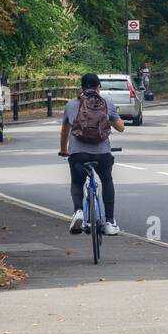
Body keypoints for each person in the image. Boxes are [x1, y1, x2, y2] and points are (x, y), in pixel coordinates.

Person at [59, 72, 125, 235]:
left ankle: (78, 211)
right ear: (98, 88)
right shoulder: (107, 102)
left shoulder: (71, 105)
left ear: (81, 88)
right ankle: (109, 222)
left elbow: (64, 132)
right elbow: (121, 127)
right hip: (102, 154)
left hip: (78, 154)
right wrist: (107, 117)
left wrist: (64, 150)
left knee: (77, 182)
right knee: (107, 180)